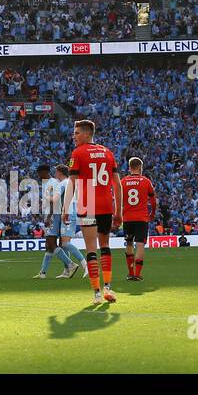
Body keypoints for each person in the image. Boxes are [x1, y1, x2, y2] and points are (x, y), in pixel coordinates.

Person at [65, 120, 122, 304]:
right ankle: (108, 288)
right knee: (105, 246)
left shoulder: (77, 153)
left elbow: (72, 183)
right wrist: (119, 211)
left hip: (87, 205)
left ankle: (97, 293)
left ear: (87, 134)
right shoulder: (107, 152)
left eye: (77, 133)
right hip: (106, 205)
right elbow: (117, 184)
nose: (74, 136)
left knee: (90, 248)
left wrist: (66, 208)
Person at [120, 157, 157, 280]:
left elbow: (118, 200)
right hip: (141, 218)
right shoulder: (146, 181)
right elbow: (153, 200)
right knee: (140, 245)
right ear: (140, 168)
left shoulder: (123, 181)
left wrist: (119, 214)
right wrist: (152, 213)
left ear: (129, 167)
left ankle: (130, 273)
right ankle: (137, 274)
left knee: (129, 244)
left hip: (127, 218)